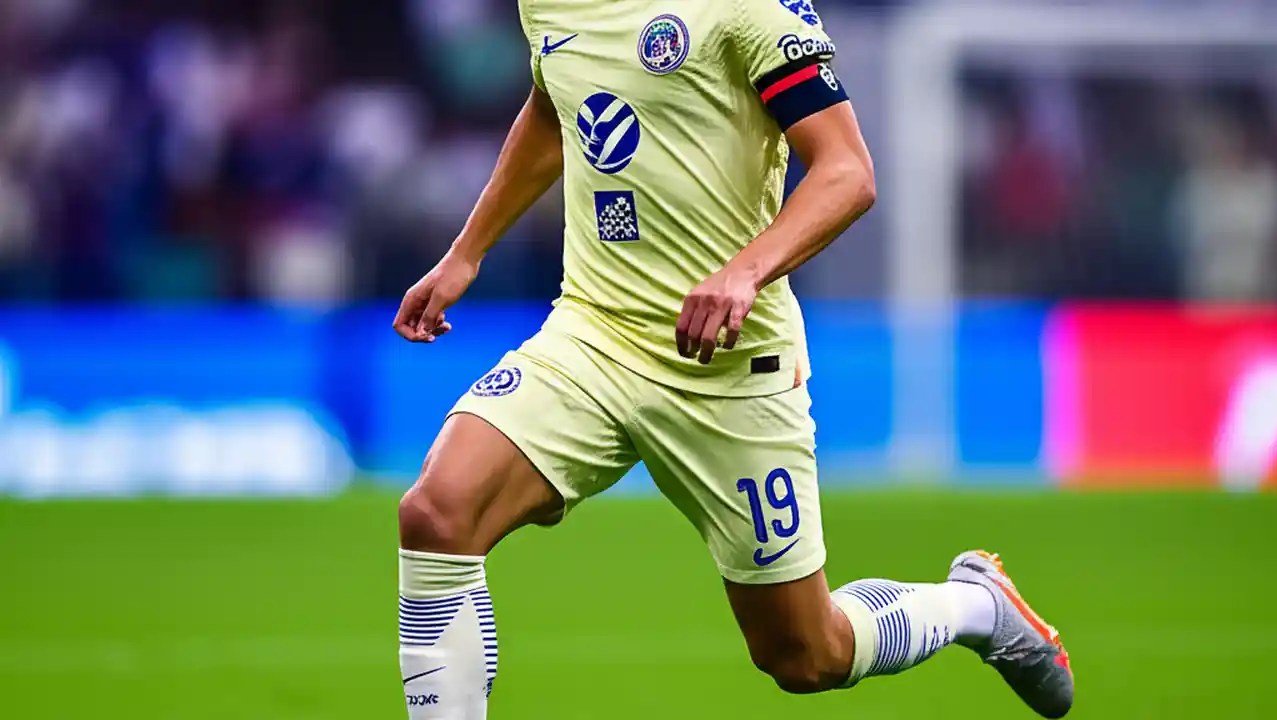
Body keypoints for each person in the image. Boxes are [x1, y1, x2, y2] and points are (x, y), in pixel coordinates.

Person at [391, 2, 1073, 718]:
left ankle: (973, 605)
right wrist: (467, 251)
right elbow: (554, 99)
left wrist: (744, 272)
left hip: (730, 367)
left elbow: (847, 172)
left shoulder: (746, 8)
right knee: (439, 514)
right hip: (594, 334)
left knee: (806, 654)